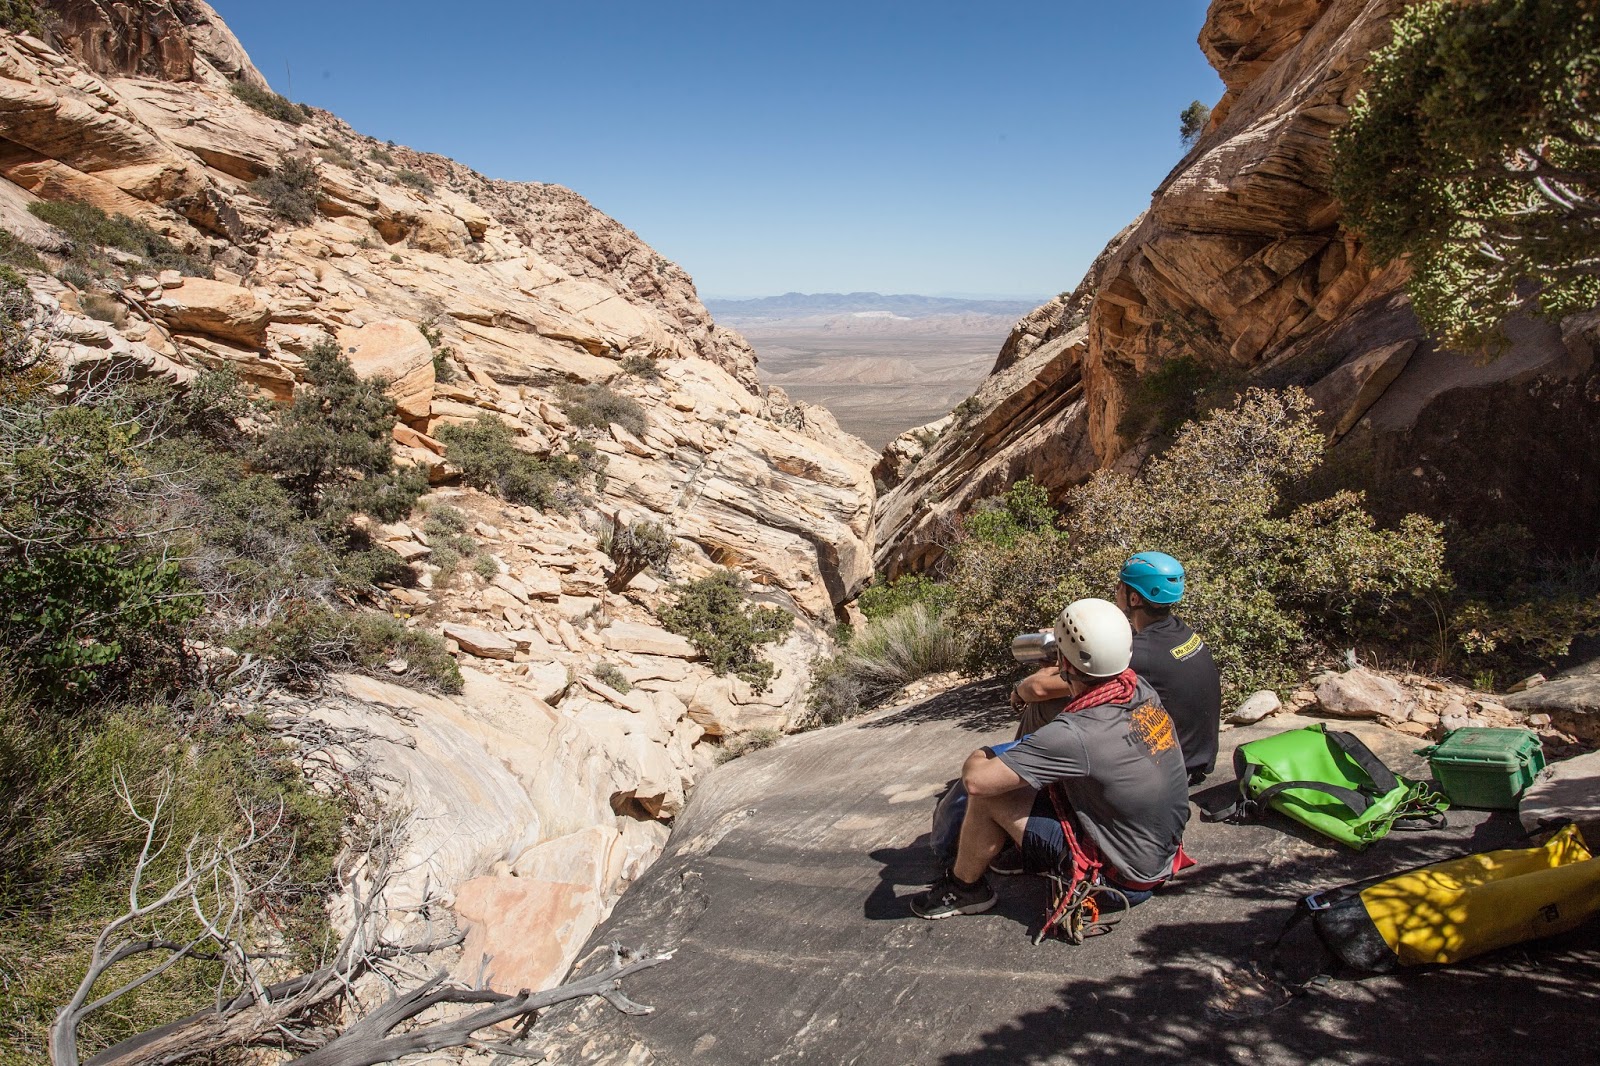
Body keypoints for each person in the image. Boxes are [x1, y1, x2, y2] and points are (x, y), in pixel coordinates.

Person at [912, 598, 1190, 920]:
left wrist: (985, 753)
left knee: (990, 798)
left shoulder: (1075, 733)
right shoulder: (1137, 688)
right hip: (1158, 854)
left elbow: (977, 782)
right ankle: (1018, 853)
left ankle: (962, 889)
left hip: (1122, 879)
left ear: (1065, 664)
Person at [1010, 551, 1221, 784]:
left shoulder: (1142, 655)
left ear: (1134, 599)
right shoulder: (1176, 631)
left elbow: (1039, 689)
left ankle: (1016, 778)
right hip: (1194, 756)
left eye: (1121, 586)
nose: (1117, 590)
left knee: (1046, 705)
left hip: (1171, 769)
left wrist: (1019, 689)